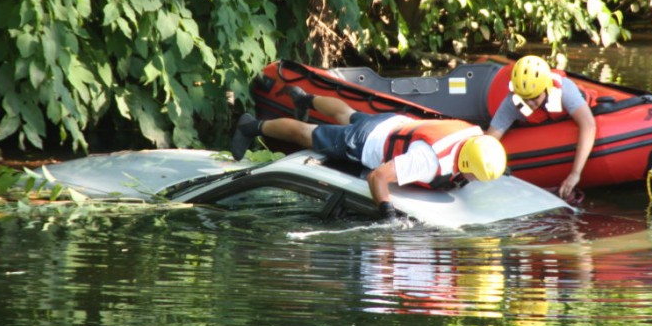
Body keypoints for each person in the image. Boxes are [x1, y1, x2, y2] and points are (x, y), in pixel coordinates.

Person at [230, 88, 507, 216]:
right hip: (367, 143)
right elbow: (377, 177)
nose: (474, 182)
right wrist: (386, 212)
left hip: (393, 123)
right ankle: (251, 126)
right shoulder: (427, 162)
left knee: (349, 114)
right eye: (475, 177)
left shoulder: (475, 135)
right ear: (467, 163)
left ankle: (305, 98)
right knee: (307, 134)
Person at [486, 55, 596, 201]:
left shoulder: (564, 90)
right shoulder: (512, 102)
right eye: (524, 98)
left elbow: (588, 125)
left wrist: (575, 174)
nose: (530, 103)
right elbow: (489, 140)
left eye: (534, 97)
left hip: (569, 115)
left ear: (546, 87)